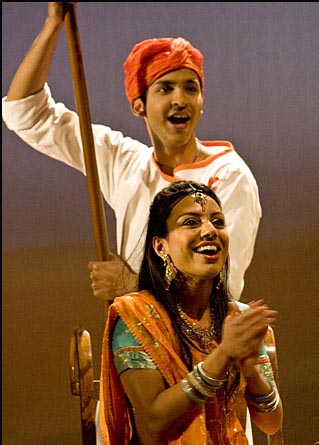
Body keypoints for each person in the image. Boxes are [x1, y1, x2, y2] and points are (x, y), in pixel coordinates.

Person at [89, 180, 319, 445]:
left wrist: (250, 367)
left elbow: (271, 424)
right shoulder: (136, 315)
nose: (209, 230)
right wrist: (223, 356)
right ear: (161, 245)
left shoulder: (238, 317)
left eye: (217, 221)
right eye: (190, 222)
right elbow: (156, 418)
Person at [2, 2, 261, 303]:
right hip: (133, 344)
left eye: (190, 88)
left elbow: (218, 291)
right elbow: (24, 112)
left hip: (200, 350)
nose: (181, 99)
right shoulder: (124, 162)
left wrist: (129, 284)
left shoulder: (229, 176)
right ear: (139, 105)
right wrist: (53, 24)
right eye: (165, 88)